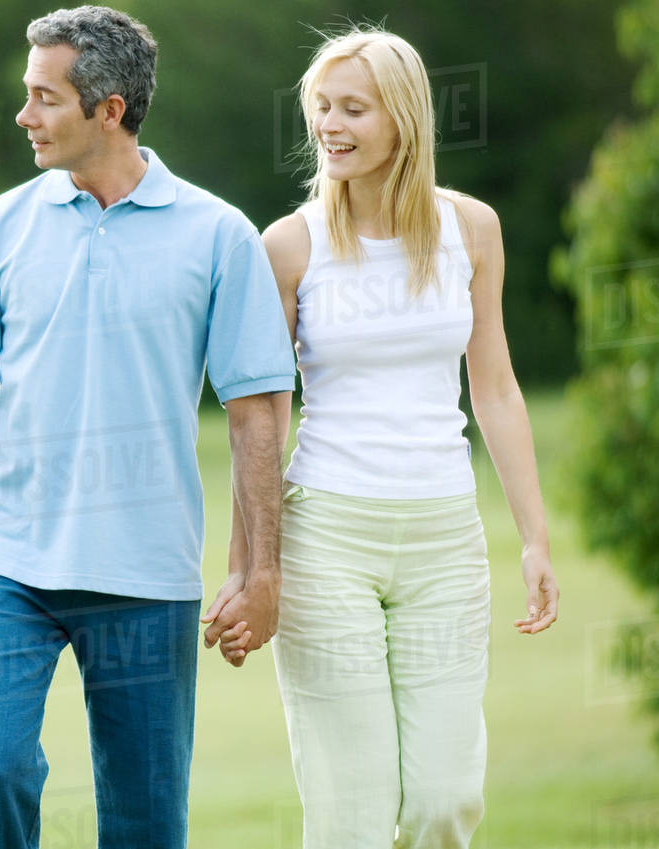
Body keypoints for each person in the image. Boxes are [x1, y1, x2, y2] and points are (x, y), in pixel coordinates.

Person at [0, 6, 295, 848]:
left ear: (109, 109)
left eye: (45, 97)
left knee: (146, 818)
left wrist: (262, 572)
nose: (24, 115)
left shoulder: (220, 236)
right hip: (10, 563)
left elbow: (255, 416)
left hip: (148, 570)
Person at [220, 27, 560, 849]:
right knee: (353, 814)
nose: (329, 126)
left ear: (403, 119)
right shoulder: (289, 245)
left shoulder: (472, 229)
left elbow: (496, 388)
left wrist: (534, 538)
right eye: (321, 108)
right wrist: (248, 567)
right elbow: (263, 419)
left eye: (352, 109)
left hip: (445, 538)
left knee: (444, 801)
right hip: (328, 536)